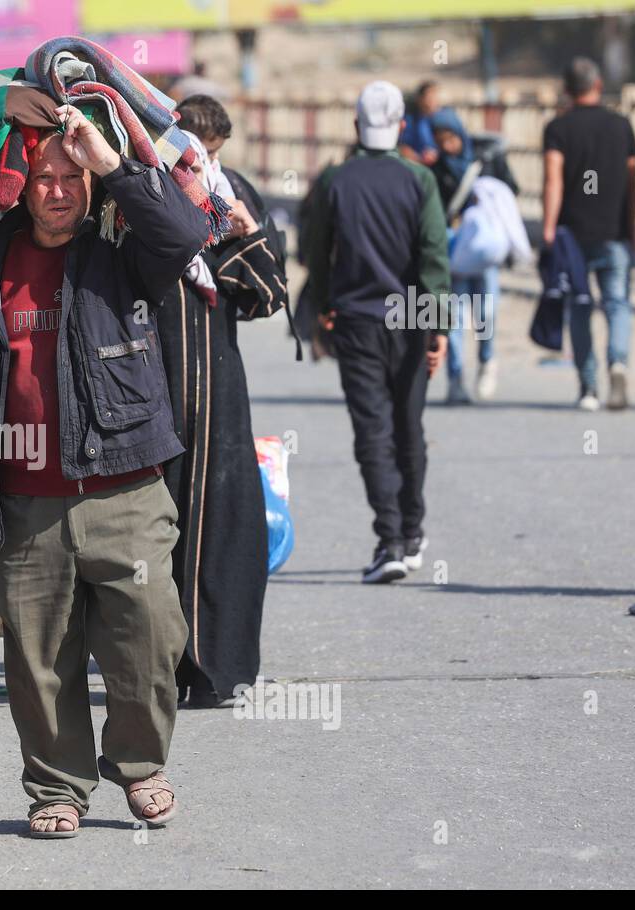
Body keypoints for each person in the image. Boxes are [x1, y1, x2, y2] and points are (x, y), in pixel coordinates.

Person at [0, 104, 211, 838]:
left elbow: (187, 232)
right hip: (24, 498)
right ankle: (57, 786)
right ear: (20, 185)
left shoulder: (122, 249)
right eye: (42, 177)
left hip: (126, 484)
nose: (57, 190)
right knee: (39, 657)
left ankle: (140, 766)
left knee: (149, 636)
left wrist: (110, 160)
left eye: (71, 176)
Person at [156, 115, 283, 709]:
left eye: (196, 170)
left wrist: (242, 229)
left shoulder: (228, 212)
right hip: (151, 404)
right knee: (156, 535)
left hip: (219, 406)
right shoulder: (136, 219)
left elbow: (269, 295)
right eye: (179, 171)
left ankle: (218, 668)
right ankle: (160, 667)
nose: (191, 181)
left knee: (227, 529)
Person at [304, 81, 450, 584]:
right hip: (411, 319)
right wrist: (439, 330)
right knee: (410, 426)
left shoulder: (335, 181)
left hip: (357, 321)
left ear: (355, 126)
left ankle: (388, 539)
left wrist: (322, 309)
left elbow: (317, 254)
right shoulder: (420, 181)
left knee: (373, 432)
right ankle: (412, 532)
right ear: (403, 127)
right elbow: (434, 257)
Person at [542, 57, 635, 411]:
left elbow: (553, 179)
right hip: (613, 229)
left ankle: (588, 388)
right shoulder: (621, 125)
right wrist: (631, 226)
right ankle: (618, 361)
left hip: (573, 233)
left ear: (567, 89)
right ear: (598, 85)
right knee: (617, 303)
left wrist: (550, 229)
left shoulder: (558, 128)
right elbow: (633, 182)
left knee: (579, 307)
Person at [429, 107, 526, 403]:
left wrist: (485, 198)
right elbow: (433, 214)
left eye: (451, 140)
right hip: (454, 251)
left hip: (484, 250)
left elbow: (511, 191)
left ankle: (487, 362)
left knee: (486, 314)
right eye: (441, 141)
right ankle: (456, 379)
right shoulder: (435, 172)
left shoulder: (486, 162)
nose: (448, 147)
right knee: (453, 318)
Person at [398, 80, 442, 166]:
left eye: (435, 97)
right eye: (430, 97)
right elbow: (402, 147)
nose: (433, 101)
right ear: (420, 99)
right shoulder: (409, 120)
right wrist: (419, 159)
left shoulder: (443, 119)